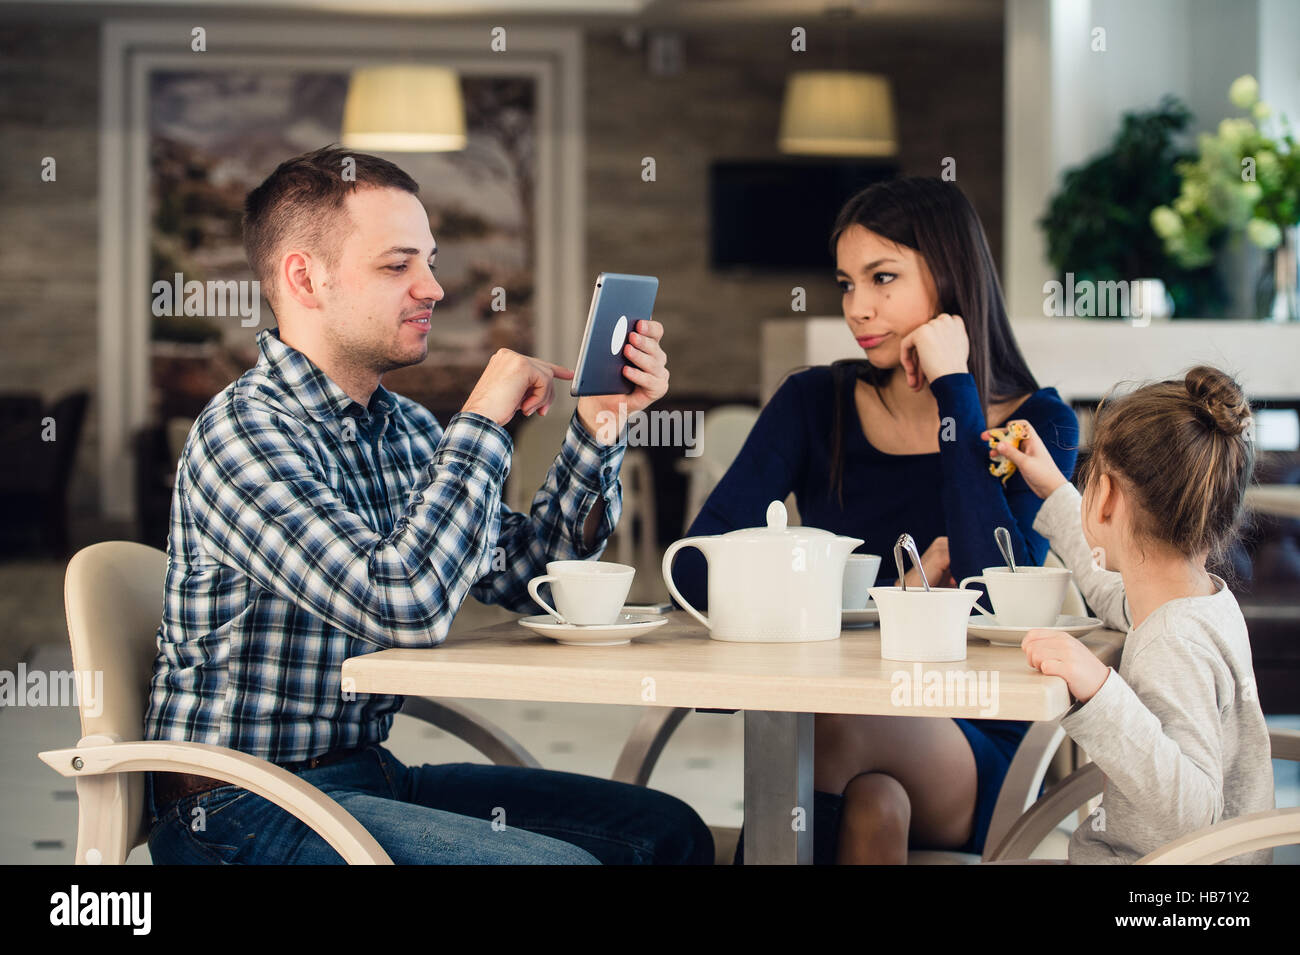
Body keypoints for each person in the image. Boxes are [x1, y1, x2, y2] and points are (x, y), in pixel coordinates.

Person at [142, 145, 712, 865]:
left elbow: (535, 572)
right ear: (304, 277)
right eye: (398, 264)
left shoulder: (406, 430)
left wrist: (599, 422)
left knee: (667, 832)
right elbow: (403, 604)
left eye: (431, 260)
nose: (434, 287)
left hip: (363, 775)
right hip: (233, 805)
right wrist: (479, 425)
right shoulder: (245, 433)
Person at [668, 177, 1079, 863]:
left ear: (949, 275)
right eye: (846, 283)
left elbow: (990, 586)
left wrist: (954, 388)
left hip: (973, 735)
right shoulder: (813, 402)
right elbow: (694, 563)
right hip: (852, 714)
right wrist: (813, 590)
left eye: (882, 278)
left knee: (825, 718)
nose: (858, 308)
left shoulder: (1040, 424)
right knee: (875, 806)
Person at [994, 366, 1274, 863]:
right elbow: (1114, 592)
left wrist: (1101, 692)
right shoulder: (1193, 603)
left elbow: (1195, 816)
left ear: (1106, 497)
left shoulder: (1174, 643)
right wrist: (1057, 490)